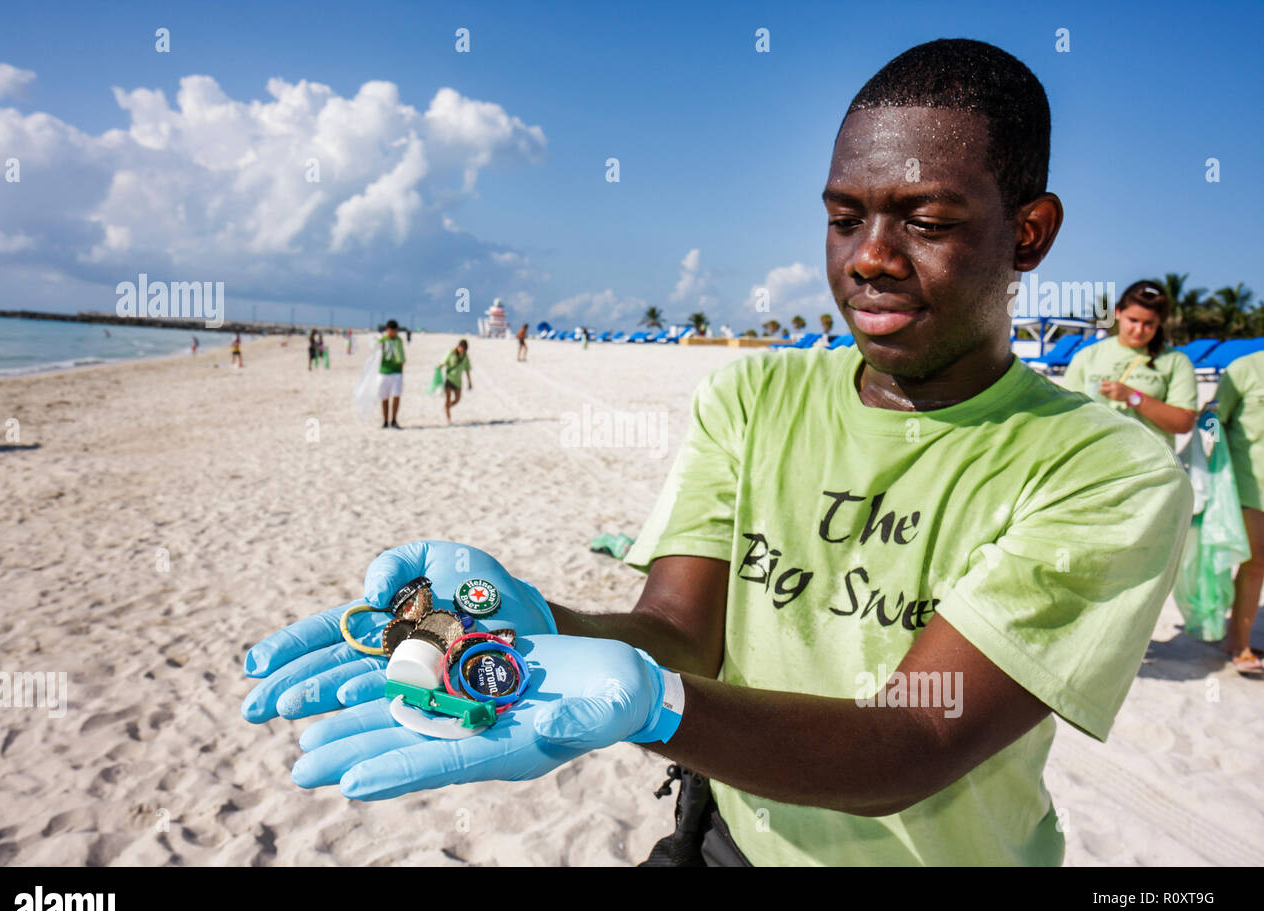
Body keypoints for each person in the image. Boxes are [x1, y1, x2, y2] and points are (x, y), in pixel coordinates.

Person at [243, 39, 1193, 867]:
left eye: (926, 222)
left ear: (1029, 233)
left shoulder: (1103, 472)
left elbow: (911, 741)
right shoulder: (755, 398)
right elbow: (680, 633)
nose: (869, 256)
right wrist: (542, 626)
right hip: (728, 836)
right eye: (844, 218)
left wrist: (658, 708)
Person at [1061, 281, 1197, 446]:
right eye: (1133, 320)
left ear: (1159, 322)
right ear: (1118, 313)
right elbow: (1065, 412)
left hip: (1151, 457)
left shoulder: (1175, 361)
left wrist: (1133, 397)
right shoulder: (1087, 356)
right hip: (1096, 453)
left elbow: (1183, 423)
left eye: (1148, 324)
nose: (1139, 330)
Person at [1213, 355, 1264, 674]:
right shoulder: (1246, 368)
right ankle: (1239, 642)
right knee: (1255, 562)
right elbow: (1213, 421)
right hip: (1249, 482)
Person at [378, 320, 405, 429]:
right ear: (387, 330)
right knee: (384, 397)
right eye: (392, 331)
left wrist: (401, 370)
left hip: (397, 372)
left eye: (395, 331)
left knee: (396, 396)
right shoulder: (382, 340)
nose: (393, 333)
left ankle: (394, 420)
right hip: (384, 372)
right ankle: (385, 421)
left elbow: (401, 355)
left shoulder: (399, 340)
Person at [441, 339, 472, 423]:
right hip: (449, 378)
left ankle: (447, 407)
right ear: (458, 346)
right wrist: (440, 367)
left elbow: (467, 369)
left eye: (464, 349)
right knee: (448, 398)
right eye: (462, 348)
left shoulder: (465, 356)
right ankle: (448, 419)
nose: (462, 350)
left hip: (458, 381)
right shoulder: (451, 353)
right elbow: (444, 361)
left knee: (457, 399)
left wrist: (469, 381)